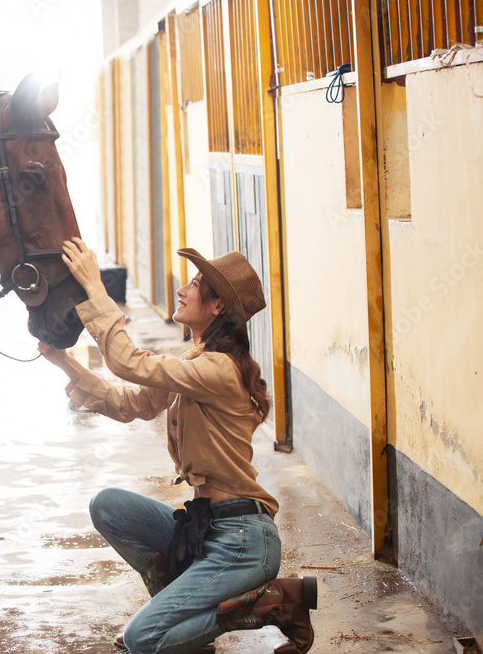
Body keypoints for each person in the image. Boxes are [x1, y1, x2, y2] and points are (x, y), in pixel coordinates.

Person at [39, 238, 318, 654]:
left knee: (141, 639)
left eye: (194, 283)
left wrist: (97, 290)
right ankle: (179, 618)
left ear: (218, 306)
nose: (182, 290)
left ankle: (271, 606)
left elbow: (128, 362)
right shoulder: (195, 362)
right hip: (206, 529)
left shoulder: (218, 369)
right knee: (108, 505)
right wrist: (64, 361)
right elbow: (130, 403)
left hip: (242, 541)